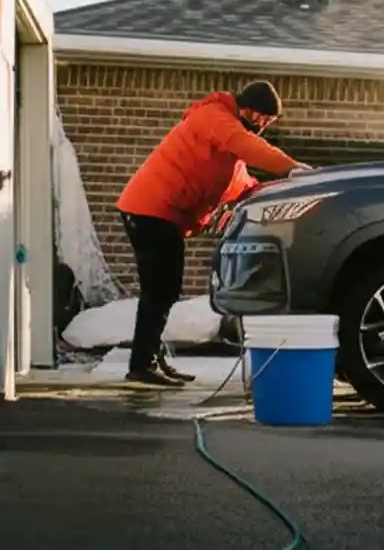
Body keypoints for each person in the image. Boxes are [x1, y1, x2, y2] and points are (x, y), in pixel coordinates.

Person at [116, 81, 310, 386]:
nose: (263, 128)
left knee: (163, 290)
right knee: (160, 290)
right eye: (263, 120)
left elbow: (241, 181)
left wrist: (273, 188)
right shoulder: (216, 118)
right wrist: (290, 168)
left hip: (156, 212)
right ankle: (142, 364)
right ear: (249, 109)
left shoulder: (225, 135)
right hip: (149, 210)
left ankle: (149, 357)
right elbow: (246, 144)